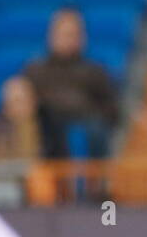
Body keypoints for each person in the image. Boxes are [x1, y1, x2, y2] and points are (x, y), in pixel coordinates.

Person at [21, 8, 120, 158]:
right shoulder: (35, 70)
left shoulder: (95, 71)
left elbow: (111, 111)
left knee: (94, 129)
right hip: (46, 128)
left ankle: (95, 178)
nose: (67, 39)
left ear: (82, 37)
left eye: (73, 34)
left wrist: (79, 109)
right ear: (51, 35)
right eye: (63, 34)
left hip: (84, 124)